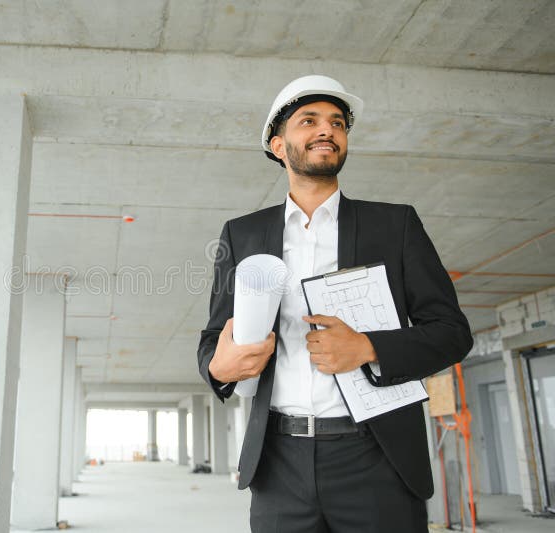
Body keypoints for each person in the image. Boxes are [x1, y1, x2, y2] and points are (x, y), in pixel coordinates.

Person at [197, 75, 473, 533]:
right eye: (309, 121)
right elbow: (212, 337)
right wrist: (220, 368)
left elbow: (452, 332)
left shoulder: (395, 225)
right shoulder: (241, 234)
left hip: (376, 458)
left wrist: (369, 349)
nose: (328, 130)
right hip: (278, 462)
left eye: (338, 123)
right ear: (278, 144)